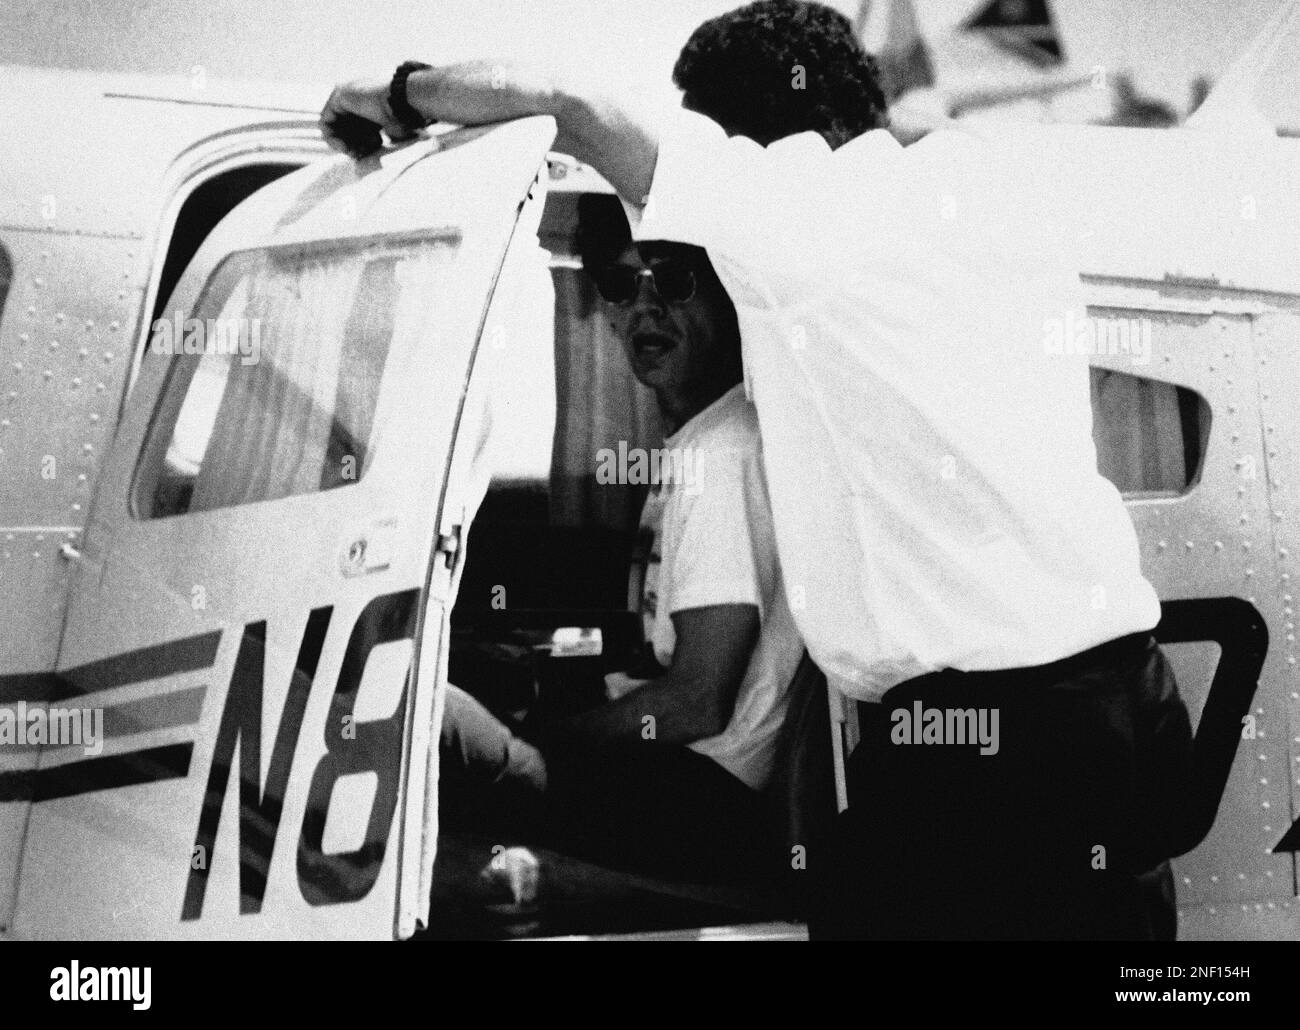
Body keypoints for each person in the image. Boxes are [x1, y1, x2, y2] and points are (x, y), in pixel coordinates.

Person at [321, 0, 1194, 939]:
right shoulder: (979, 192)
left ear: (752, 136)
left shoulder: (806, 210)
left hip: (991, 760)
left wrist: (396, 92)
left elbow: (566, 102)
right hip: (1118, 712)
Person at [439, 194, 803, 884]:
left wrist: (547, 740)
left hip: (700, 805)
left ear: (726, 295)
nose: (645, 308)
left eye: (672, 280)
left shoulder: (723, 458)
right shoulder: (703, 441)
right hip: (674, 781)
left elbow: (697, 699)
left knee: (436, 729)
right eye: (618, 283)